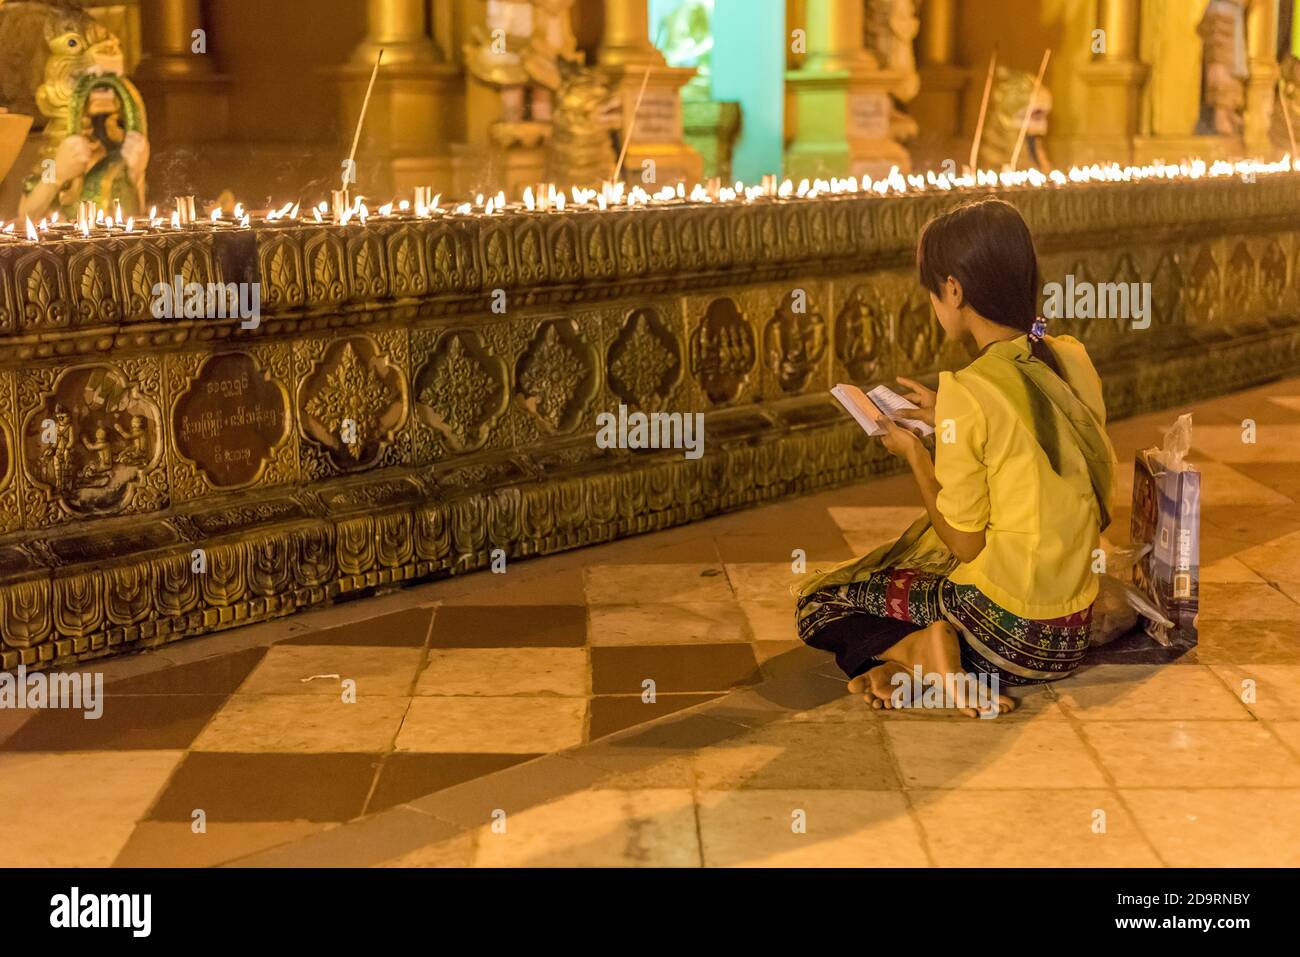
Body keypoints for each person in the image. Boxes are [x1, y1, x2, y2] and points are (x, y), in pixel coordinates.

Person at [796, 198, 1117, 717]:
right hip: (1068, 638)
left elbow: (965, 544)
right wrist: (948, 414)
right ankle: (905, 666)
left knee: (822, 601)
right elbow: (1035, 424)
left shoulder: (971, 391)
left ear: (953, 289)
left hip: (1006, 639)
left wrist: (917, 455)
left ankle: (917, 651)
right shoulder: (1069, 356)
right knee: (917, 583)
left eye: (932, 291)